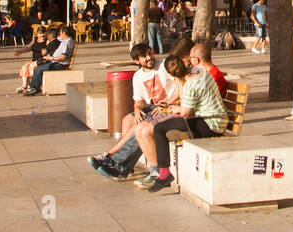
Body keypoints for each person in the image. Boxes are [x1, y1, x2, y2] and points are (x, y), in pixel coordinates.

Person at [132, 53, 227, 193]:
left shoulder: (189, 86)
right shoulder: (200, 71)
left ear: (173, 77)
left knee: (159, 129)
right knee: (162, 126)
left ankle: (164, 174)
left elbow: (185, 113)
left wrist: (174, 108)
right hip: (218, 118)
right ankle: (163, 173)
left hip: (209, 124)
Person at [89, 43, 181, 179]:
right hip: (152, 108)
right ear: (137, 61)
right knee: (128, 120)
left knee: (141, 127)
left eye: (150, 53)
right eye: (144, 56)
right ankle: (123, 164)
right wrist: (137, 110)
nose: (149, 57)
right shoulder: (138, 76)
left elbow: (181, 87)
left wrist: (168, 103)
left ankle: (117, 162)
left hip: (167, 108)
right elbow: (138, 101)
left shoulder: (164, 65)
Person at [24, 25, 75, 95]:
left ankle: (34, 88)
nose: (59, 35)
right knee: (37, 68)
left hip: (59, 64)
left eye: (60, 33)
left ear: (64, 33)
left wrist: (50, 58)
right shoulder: (66, 40)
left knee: (39, 69)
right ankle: (34, 87)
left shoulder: (67, 42)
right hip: (56, 62)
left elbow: (63, 57)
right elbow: (56, 38)